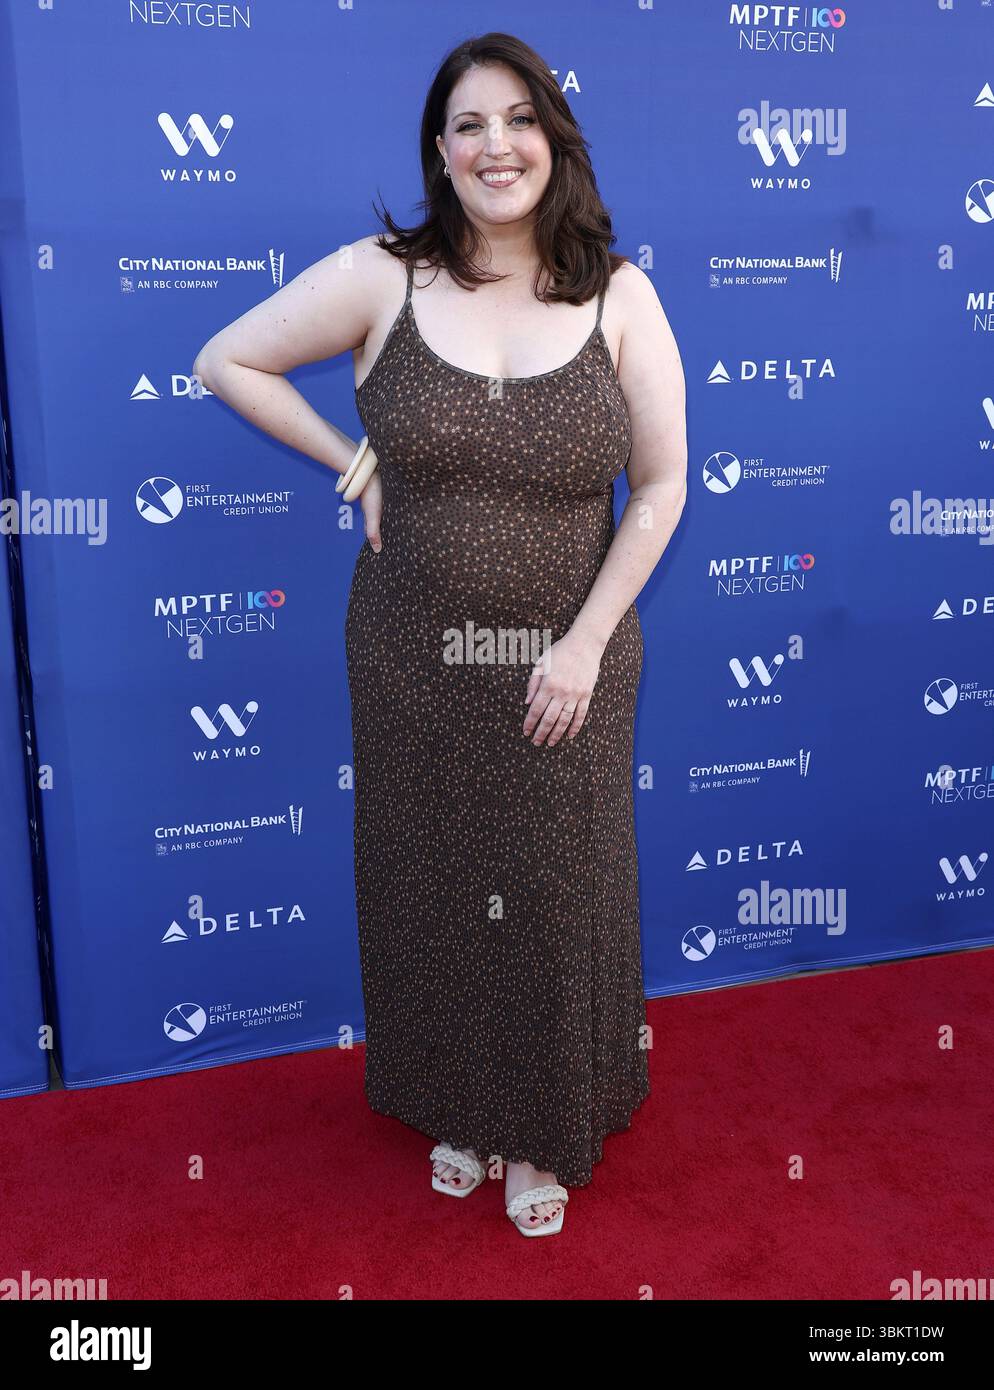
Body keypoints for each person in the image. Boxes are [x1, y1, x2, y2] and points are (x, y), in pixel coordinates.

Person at [192, 31, 687, 1237]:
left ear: (553, 140)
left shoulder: (619, 293)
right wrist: (353, 457)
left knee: (552, 891)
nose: (493, 144)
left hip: (570, 660)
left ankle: (541, 1126)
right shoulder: (382, 275)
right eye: (467, 124)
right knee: (435, 884)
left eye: (517, 119)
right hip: (413, 655)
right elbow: (227, 358)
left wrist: (581, 643)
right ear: (440, 150)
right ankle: (459, 1104)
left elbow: (664, 484)